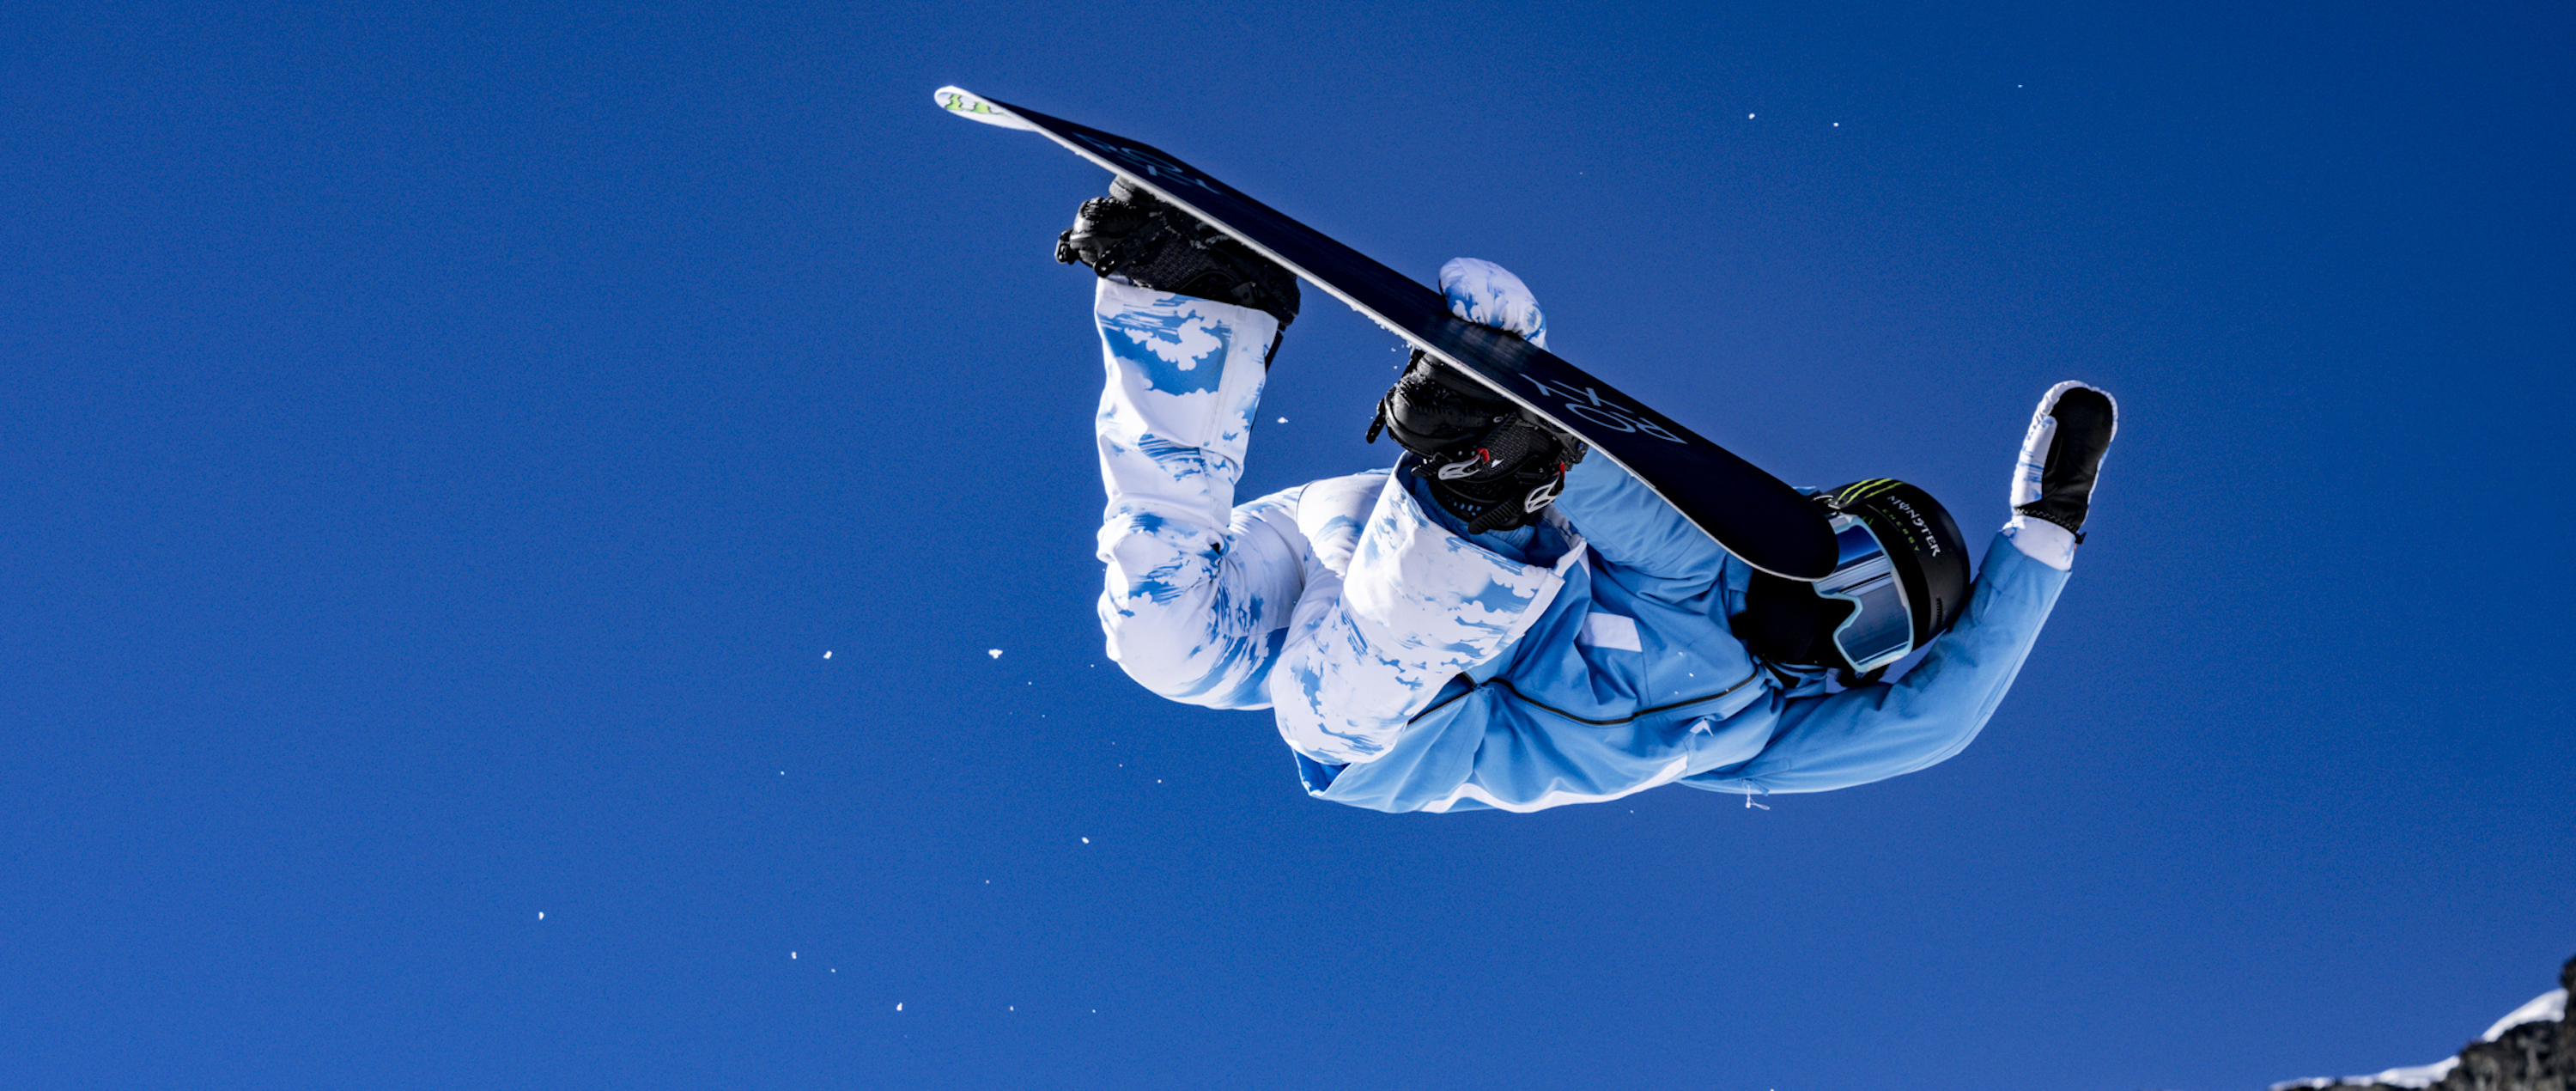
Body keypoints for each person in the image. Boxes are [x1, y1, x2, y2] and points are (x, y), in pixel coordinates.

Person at [1057, 180, 2117, 814]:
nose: (1838, 625)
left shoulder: (1759, 731)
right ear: (1810, 527)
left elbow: (1946, 718)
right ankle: (1488, 460)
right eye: (1852, 580)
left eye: (1873, 637)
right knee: (1323, 709)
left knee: (1162, 642)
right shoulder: (1704, 567)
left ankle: (1192, 301)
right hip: (1414, 596)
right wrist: (1518, 406)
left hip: (1390, 656)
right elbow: (1636, 501)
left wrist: (2045, 534)